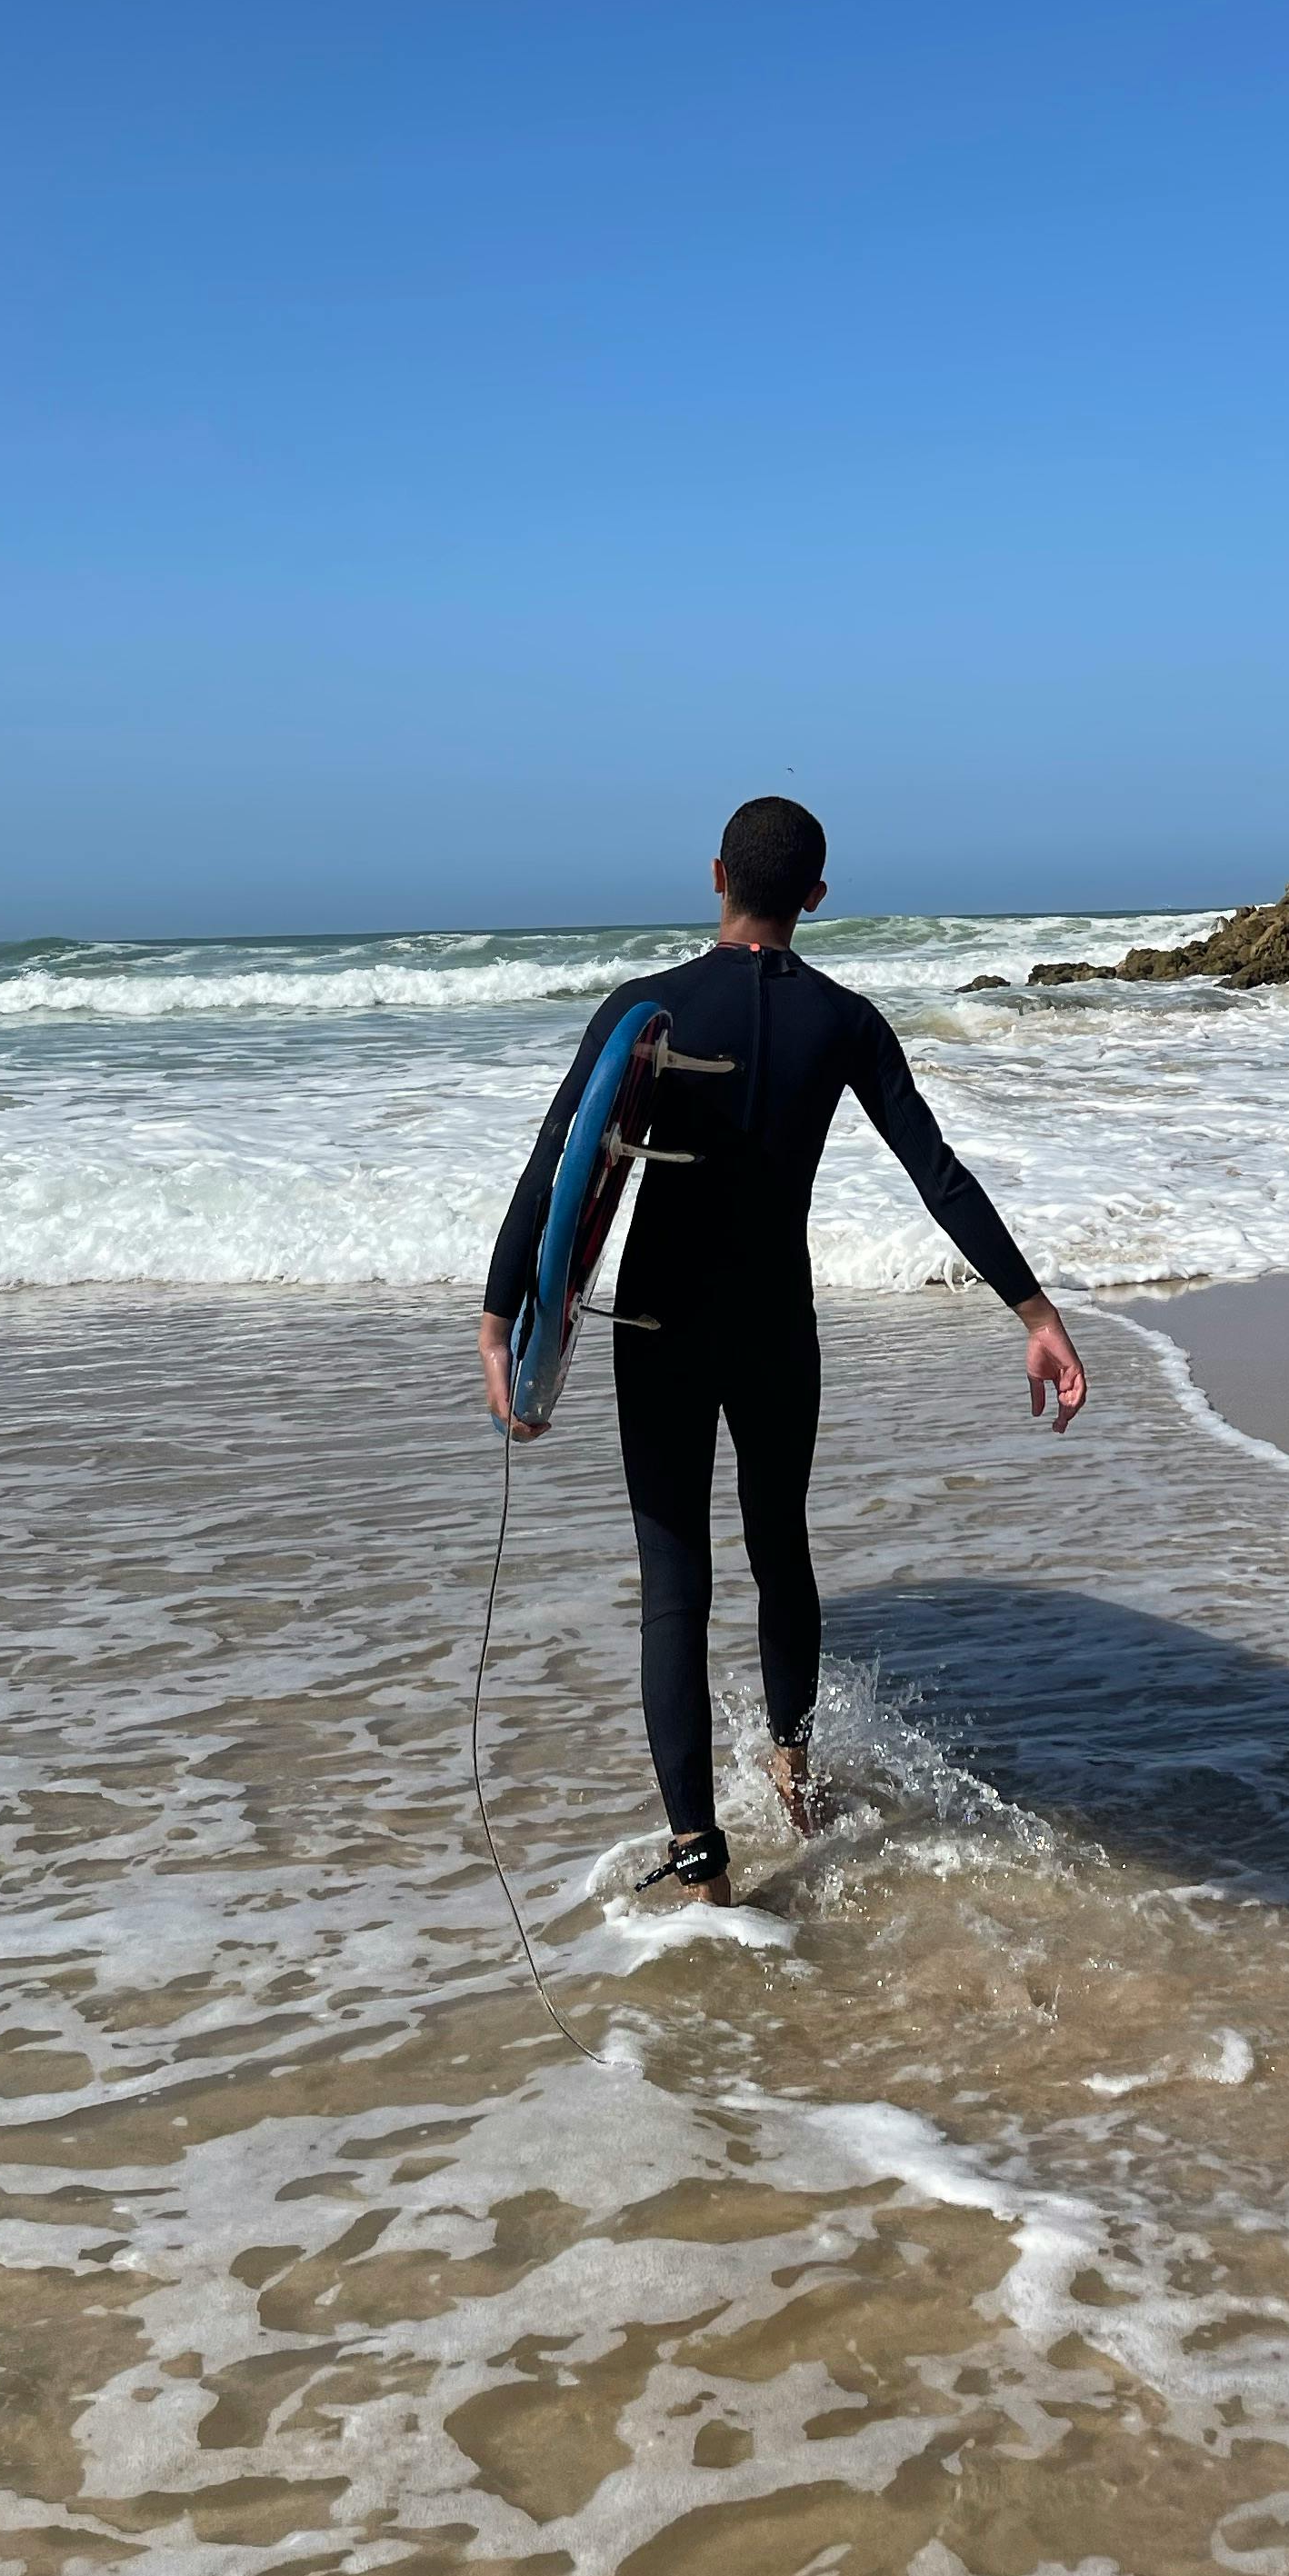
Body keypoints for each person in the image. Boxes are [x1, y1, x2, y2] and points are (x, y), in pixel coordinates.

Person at [480, 795, 1087, 1905]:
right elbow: (936, 1174)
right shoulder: (849, 1022)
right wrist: (1034, 1311)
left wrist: (501, 1317)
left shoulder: (645, 1006)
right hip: (775, 1327)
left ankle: (701, 1860)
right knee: (780, 1550)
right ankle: (795, 1779)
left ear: (716, 875)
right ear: (813, 896)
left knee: (676, 1586)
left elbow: (555, 1168)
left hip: (659, 1329)